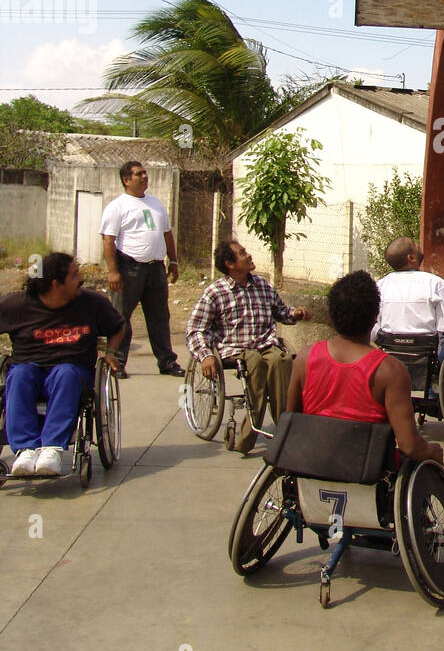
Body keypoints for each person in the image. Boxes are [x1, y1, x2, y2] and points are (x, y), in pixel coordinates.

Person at [286, 270, 444, 464]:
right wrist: (433, 450)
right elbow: (409, 445)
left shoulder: (305, 358)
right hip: (368, 466)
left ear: (331, 314)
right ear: (376, 316)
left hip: (313, 461)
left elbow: (291, 420)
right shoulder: (390, 370)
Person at [0, 252, 125, 477]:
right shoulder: (18, 305)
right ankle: (25, 450)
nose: (81, 280)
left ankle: (52, 448)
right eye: (75, 275)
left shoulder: (92, 303)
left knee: (65, 373)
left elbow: (118, 327)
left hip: (72, 369)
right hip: (28, 366)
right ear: (56, 283)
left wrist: (111, 353)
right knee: (19, 376)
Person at [186, 239, 309, 451]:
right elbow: (195, 330)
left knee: (283, 360)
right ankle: (247, 437)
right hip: (235, 349)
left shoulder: (261, 285)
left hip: (265, 344)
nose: (249, 255)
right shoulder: (215, 292)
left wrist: (295, 314)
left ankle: (285, 428)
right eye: (242, 253)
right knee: (254, 362)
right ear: (230, 264)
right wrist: (205, 355)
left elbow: (281, 312)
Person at [100, 160, 184, 377]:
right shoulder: (117, 206)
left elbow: (167, 234)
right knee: (121, 317)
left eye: (145, 173)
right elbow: (108, 240)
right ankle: (117, 362)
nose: (144, 177)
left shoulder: (156, 204)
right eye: (138, 174)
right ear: (126, 180)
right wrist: (113, 271)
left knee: (159, 317)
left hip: (155, 269)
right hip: (129, 268)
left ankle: (167, 362)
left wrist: (173, 261)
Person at [374, 236, 444, 369]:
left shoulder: (380, 286)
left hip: (391, 351)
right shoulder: (435, 283)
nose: (418, 244)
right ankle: (440, 389)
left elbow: (374, 325)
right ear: (411, 258)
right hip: (428, 352)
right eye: (414, 244)